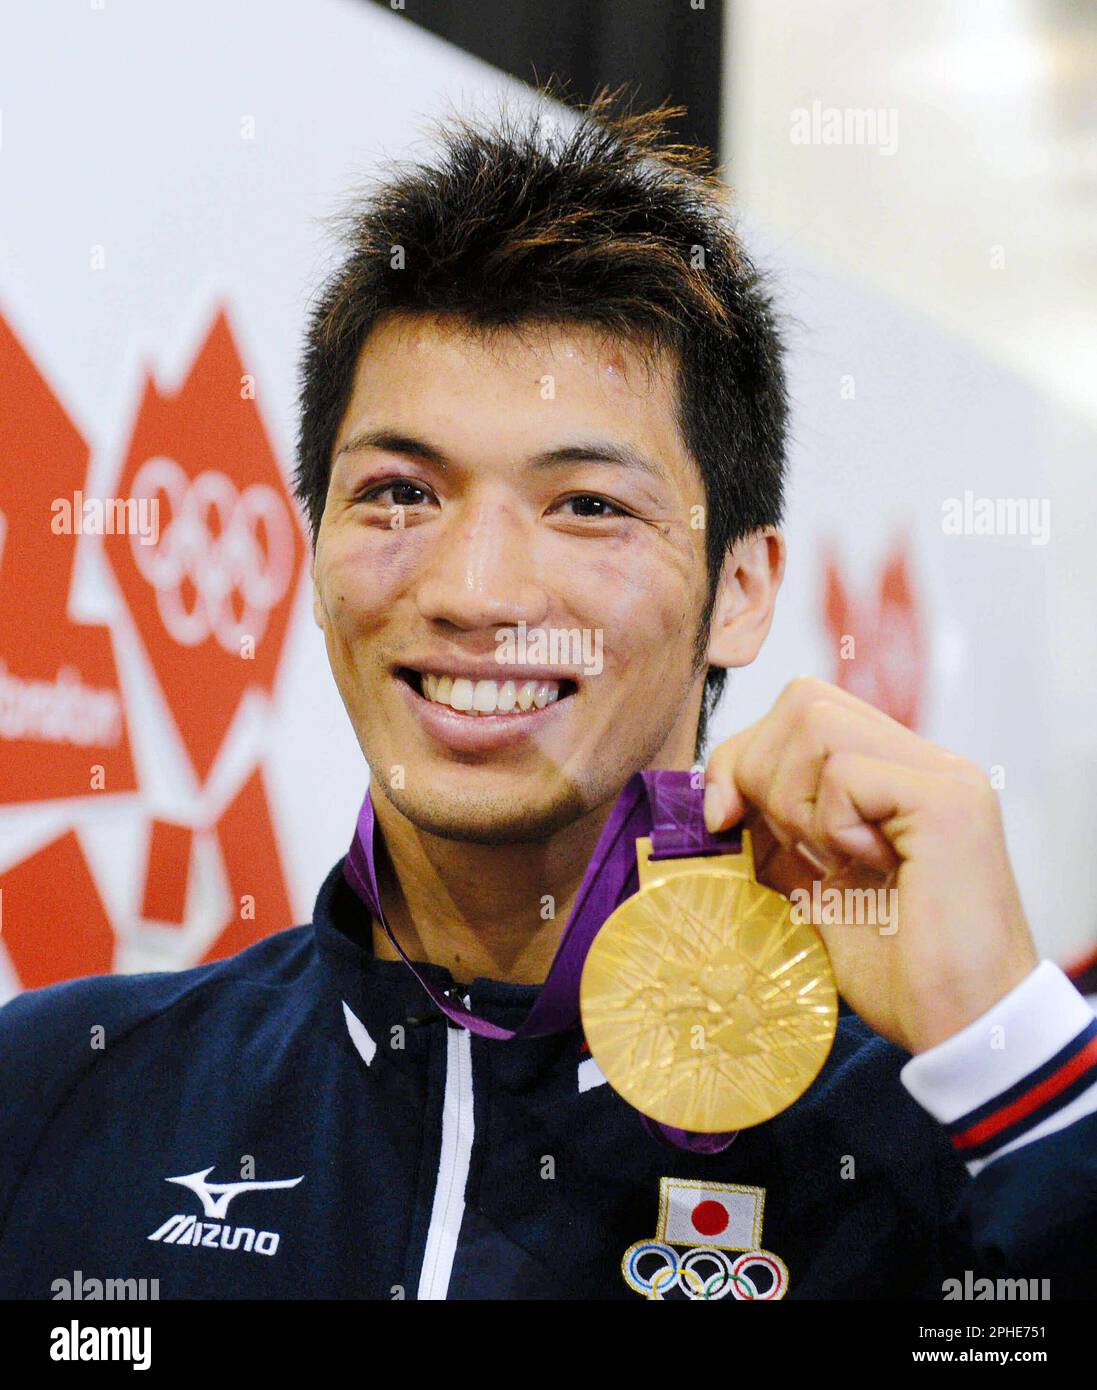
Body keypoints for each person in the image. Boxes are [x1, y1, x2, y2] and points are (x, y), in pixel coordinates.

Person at [2, 89, 1094, 1302]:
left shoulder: (934, 1150)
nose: (474, 591)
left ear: (739, 587)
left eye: (586, 505)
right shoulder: (57, 1086)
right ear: (309, 553)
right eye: (400, 493)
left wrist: (1009, 1054)